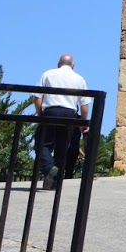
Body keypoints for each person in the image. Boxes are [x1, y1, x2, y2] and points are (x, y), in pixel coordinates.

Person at [33, 54, 89, 190]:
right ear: (73, 65)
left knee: (42, 144)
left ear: (58, 64)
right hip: (69, 114)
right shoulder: (79, 79)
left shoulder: (48, 74)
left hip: (50, 111)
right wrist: (83, 123)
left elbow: (37, 97)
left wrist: (41, 114)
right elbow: (84, 105)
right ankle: (55, 183)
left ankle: (49, 168)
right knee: (62, 148)